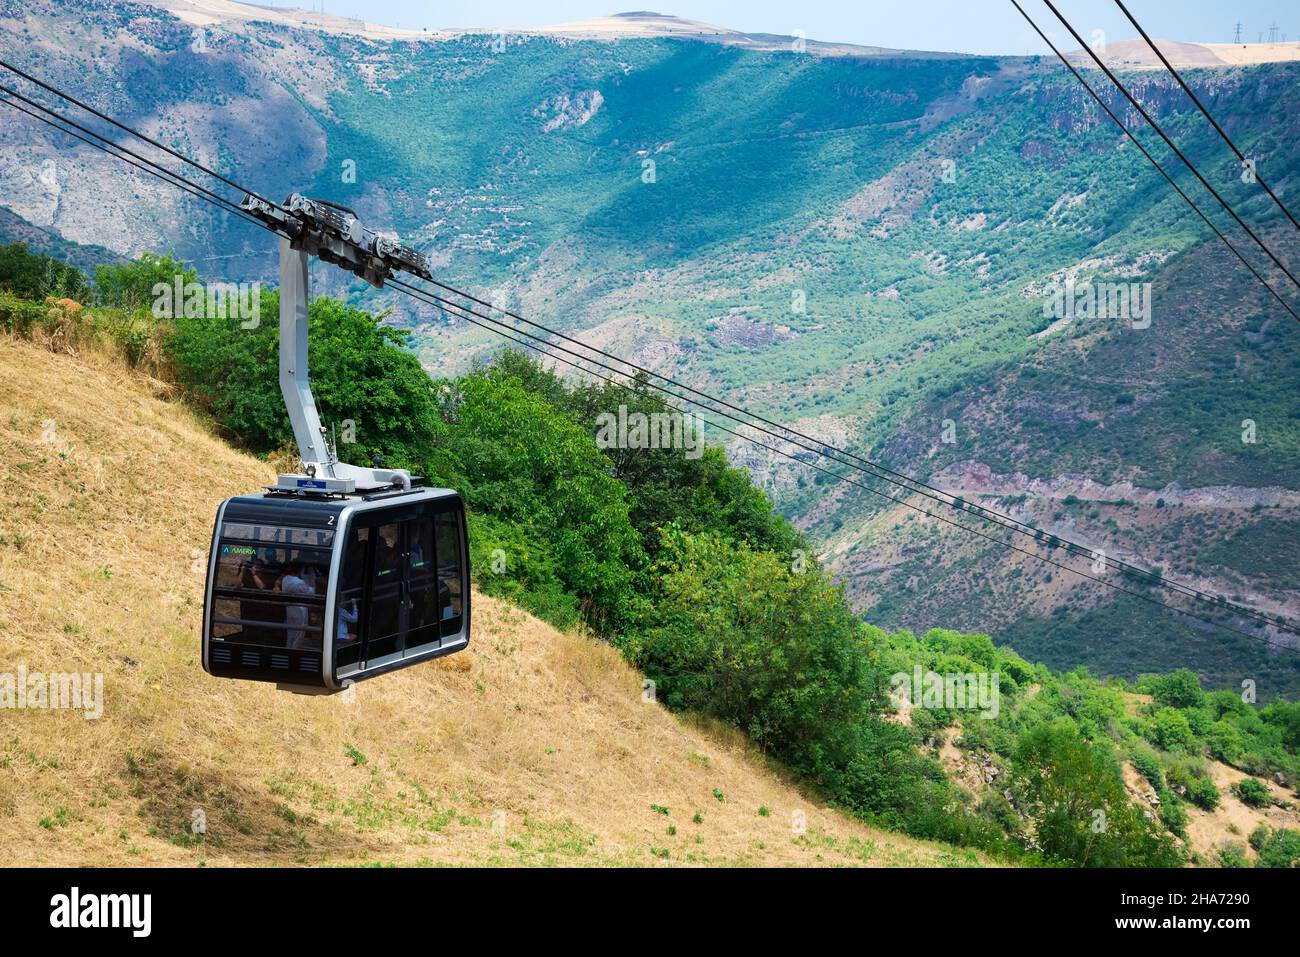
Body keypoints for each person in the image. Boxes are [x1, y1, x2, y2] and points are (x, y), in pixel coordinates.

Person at [279, 561, 315, 650]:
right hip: (300, 612)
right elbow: (312, 592)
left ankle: (288, 651)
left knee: (290, 634)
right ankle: (294, 653)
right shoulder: (300, 583)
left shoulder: (285, 579)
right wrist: (312, 577)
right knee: (299, 635)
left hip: (289, 610)